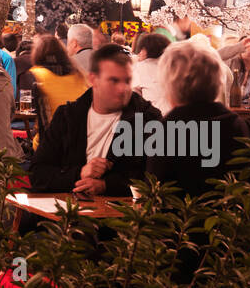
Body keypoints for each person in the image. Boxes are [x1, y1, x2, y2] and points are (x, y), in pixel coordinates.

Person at [29, 44, 161, 196]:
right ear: (93, 79)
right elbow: (38, 174)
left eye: (127, 81)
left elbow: (155, 180)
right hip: (65, 213)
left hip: (122, 216)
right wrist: (80, 173)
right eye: (114, 80)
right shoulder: (67, 116)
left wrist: (107, 186)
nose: (122, 89)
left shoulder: (148, 120)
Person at [147, 40, 250, 198]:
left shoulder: (166, 131)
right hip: (233, 219)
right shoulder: (239, 126)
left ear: (170, 84)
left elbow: (156, 193)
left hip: (180, 221)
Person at [24, 33, 87, 148]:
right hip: (81, 141)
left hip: (53, 145)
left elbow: (45, 125)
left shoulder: (37, 75)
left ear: (37, 54)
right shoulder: (79, 75)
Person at [130, 32, 173, 114]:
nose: (139, 53)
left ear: (146, 50)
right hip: (175, 117)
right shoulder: (173, 67)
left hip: (151, 118)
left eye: (141, 49)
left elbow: (133, 93)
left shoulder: (140, 68)